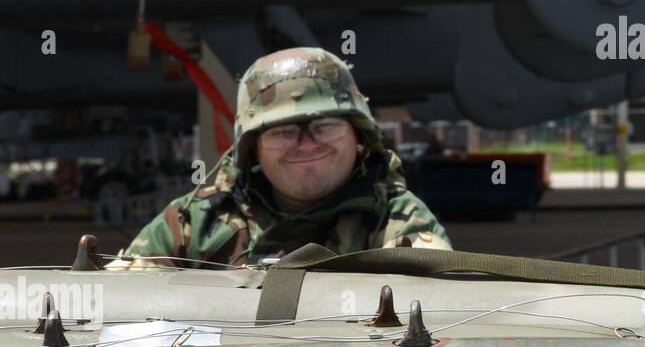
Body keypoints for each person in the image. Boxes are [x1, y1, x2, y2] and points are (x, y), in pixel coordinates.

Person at [109, 47, 452, 268]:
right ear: (252, 148)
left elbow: (437, 319)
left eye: (326, 125)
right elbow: (119, 301)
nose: (305, 144)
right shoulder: (197, 220)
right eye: (282, 132)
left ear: (357, 135)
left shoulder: (396, 219)